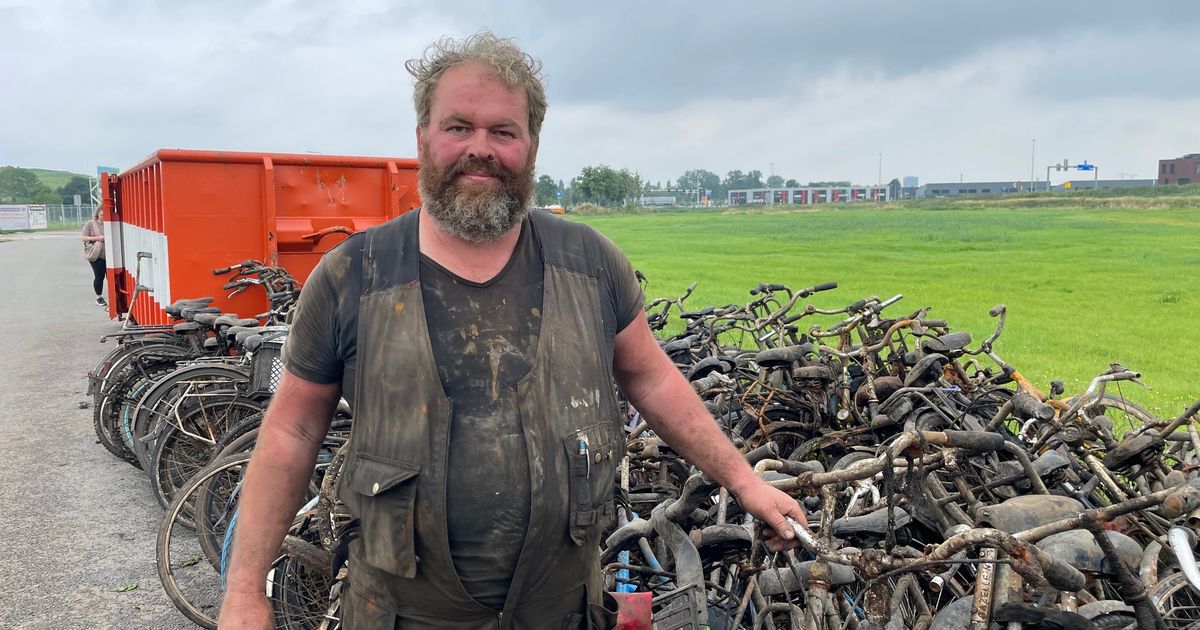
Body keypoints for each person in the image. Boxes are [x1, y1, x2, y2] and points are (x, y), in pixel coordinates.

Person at [218, 31, 806, 630]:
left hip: (560, 611)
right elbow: (292, 427)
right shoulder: (353, 275)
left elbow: (651, 379)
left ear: (531, 145)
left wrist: (743, 480)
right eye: (458, 127)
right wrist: (244, 591)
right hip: (399, 615)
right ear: (422, 137)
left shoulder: (591, 262)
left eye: (503, 131)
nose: (482, 149)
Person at [81, 209, 106, 307]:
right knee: (99, 276)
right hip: (96, 255)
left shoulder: (110, 224)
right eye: (102, 215)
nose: (103, 217)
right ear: (97, 215)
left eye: (105, 215)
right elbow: (83, 237)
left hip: (109, 254)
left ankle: (115, 296)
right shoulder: (90, 224)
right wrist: (97, 238)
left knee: (113, 277)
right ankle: (99, 297)